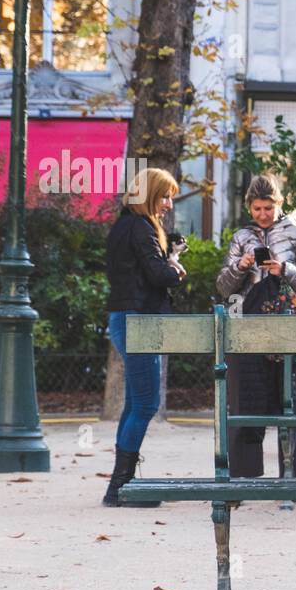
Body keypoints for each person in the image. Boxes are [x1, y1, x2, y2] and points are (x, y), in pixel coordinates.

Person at [216, 174, 296, 478]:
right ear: (249, 207)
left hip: (288, 331)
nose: (263, 215)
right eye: (257, 209)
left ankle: (294, 481)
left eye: (268, 208)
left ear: (279, 204)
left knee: (292, 409)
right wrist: (240, 267)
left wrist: (284, 269)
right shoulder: (241, 237)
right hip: (247, 330)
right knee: (244, 407)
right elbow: (224, 289)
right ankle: (243, 479)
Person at [102, 167, 187, 507]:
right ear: (150, 195)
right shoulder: (140, 227)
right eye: (164, 196)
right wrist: (176, 269)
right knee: (148, 402)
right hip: (137, 321)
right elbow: (157, 274)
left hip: (127, 318)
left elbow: (142, 271)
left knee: (136, 403)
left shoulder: (123, 225)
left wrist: (168, 260)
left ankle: (121, 485)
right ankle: (120, 487)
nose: (168, 204)